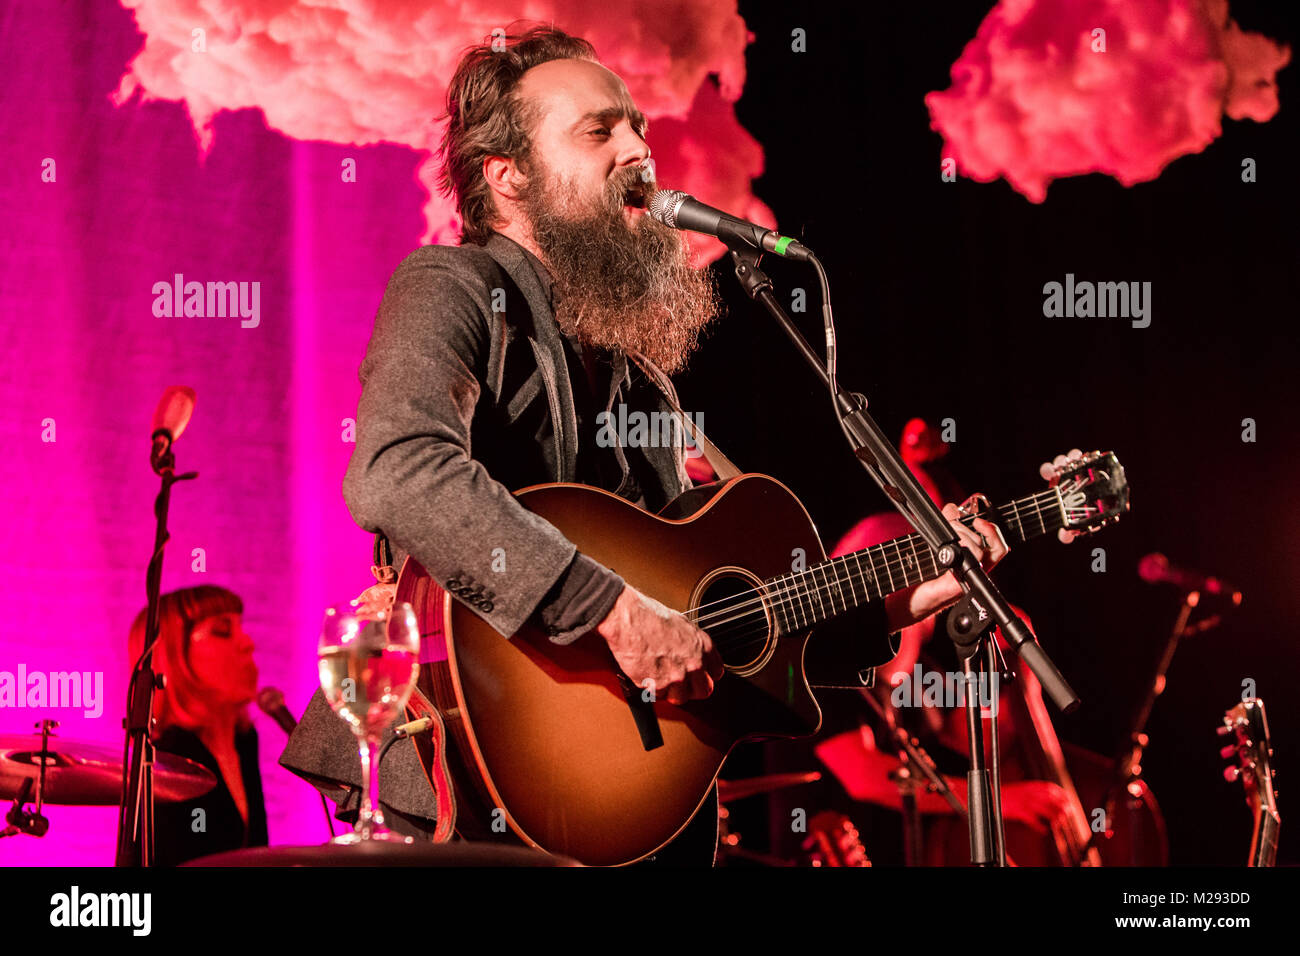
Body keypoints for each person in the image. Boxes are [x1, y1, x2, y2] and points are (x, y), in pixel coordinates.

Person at [280, 24, 1007, 864]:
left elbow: (709, 621)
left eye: (637, 128)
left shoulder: (639, 376)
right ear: (507, 174)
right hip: (468, 783)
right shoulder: (454, 285)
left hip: (626, 814)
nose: (638, 151)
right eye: (600, 131)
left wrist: (893, 602)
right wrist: (612, 611)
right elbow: (397, 469)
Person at [127, 585, 267, 866]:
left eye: (241, 628)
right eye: (222, 631)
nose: (248, 643)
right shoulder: (166, 759)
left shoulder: (244, 741)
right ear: (173, 655)